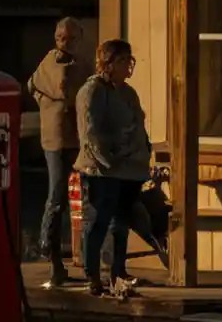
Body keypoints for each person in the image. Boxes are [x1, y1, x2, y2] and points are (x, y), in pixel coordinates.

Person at [75, 39, 151, 297]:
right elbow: (90, 133)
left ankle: (117, 271)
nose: (127, 66)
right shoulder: (93, 91)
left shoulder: (128, 92)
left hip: (130, 169)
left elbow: (138, 124)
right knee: (98, 220)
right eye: (121, 61)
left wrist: (144, 153)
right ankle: (92, 274)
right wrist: (109, 158)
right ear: (107, 63)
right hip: (102, 170)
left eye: (129, 60)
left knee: (121, 223)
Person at [28, 17, 90, 287]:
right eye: (62, 38)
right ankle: (48, 248)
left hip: (77, 140)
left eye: (71, 38)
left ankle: (89, 262)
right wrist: (47, 101)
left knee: (87, 199)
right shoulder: (50, 62)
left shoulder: (83, 65)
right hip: (55, 141)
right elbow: (37, 85)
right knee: (56, 196)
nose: (66, 43)